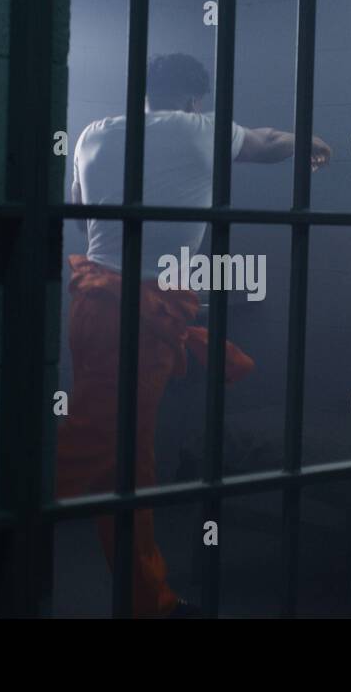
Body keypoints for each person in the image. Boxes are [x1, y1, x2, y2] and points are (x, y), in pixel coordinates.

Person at [59, 52, 331, 617]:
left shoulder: (92, 132)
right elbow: (266, 141)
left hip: (92, 303)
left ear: (144, 94)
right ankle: (140, 596)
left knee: (107, 447)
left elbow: (84, 211)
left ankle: (44, 526)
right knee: (122, 461)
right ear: (192, 100)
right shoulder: (200, 131)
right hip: (144, 311)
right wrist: (308, 140)